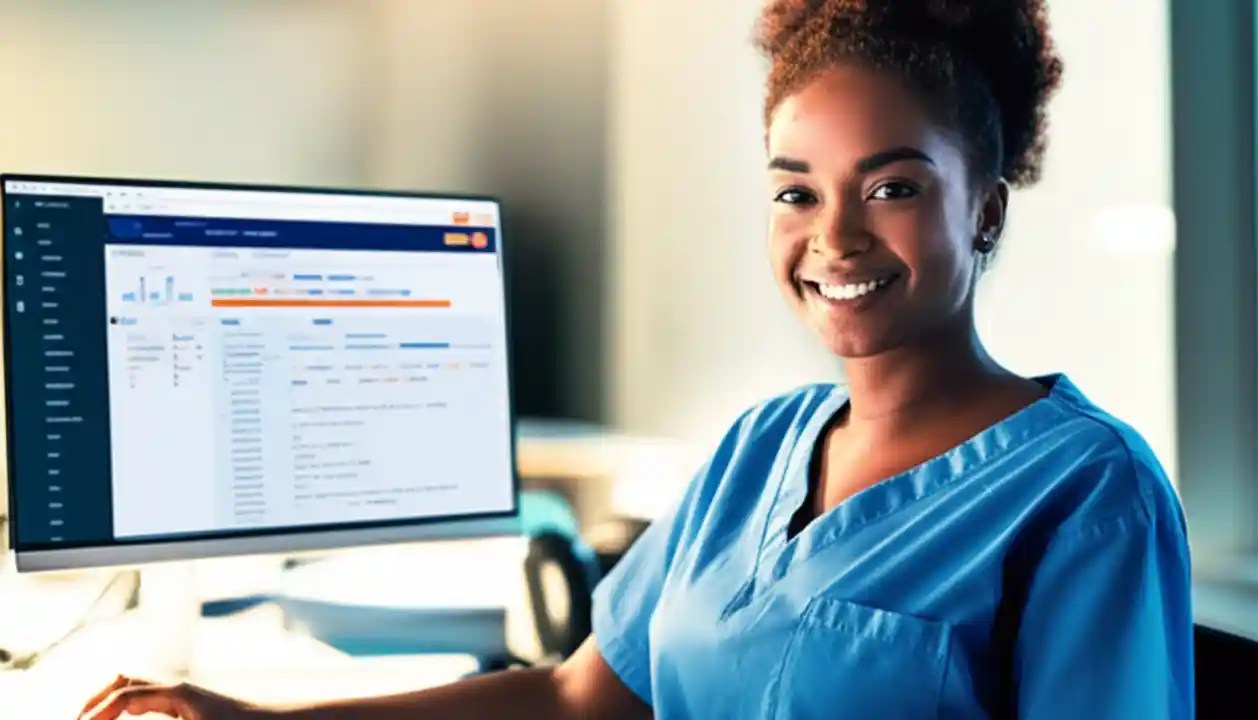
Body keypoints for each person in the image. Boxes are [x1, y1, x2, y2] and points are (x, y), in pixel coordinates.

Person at [80, 0, 1194, 718]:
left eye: (892, 187)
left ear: (986, 210)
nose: (834, 236)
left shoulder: (1085, 494)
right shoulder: (763, 446)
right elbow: (576, 700)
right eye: (794, 191)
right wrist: (255, 718)